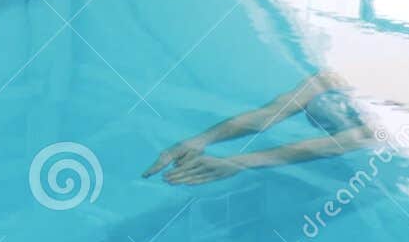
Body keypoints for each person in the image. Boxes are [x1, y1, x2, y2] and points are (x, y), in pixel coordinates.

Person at [142, 71, 380, 185]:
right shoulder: (338, 77)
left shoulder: (391, 120)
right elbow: (269, 114)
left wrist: (240, 161)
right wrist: (201, 139)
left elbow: (350, 140)